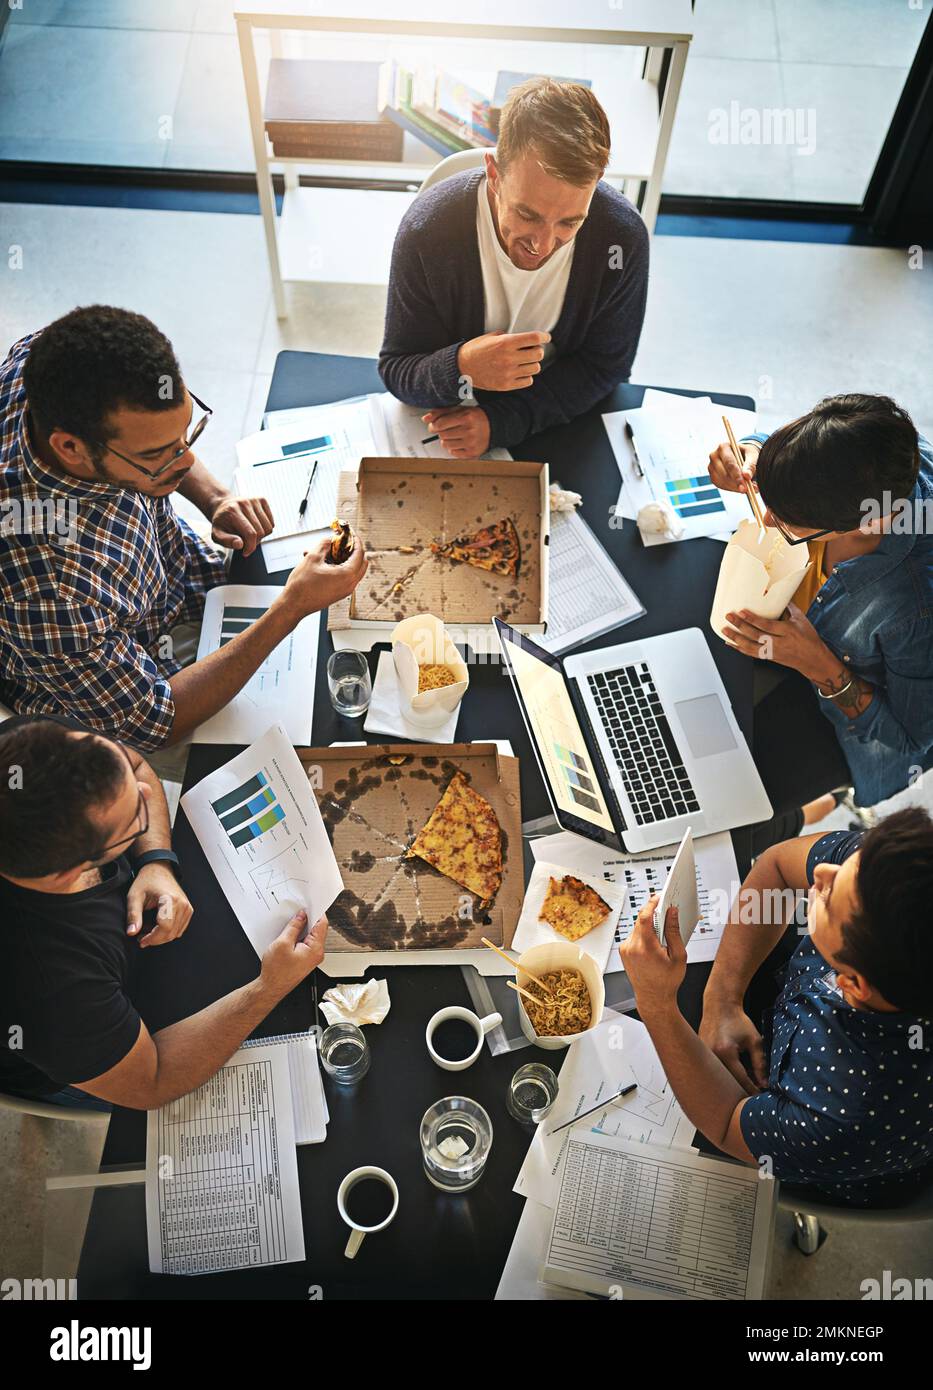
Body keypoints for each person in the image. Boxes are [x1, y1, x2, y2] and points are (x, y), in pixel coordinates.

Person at [0, 306, 366, 750]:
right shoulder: (49, 593)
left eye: (186, 433)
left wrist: (215, 499)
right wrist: (291, 607)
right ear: (71, 448)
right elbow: (155, 721)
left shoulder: (45, 360)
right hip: (138, 670)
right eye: (159, 453)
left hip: (175, 568)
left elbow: (168, 448)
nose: (188, 460)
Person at [0, 716, 327, 1110]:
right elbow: (153, 1080)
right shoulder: (50, 992)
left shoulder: (28, 755)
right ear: (71, 872)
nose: (145, 791)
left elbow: (138, 767)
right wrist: (268, 987)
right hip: (99, 1057)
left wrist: (156, 861)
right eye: (136, 816)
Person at [620, 808, 933, 1205]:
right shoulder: (892, 875)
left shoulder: (843, 1112)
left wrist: (656, 1006)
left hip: (807, 1140)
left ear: (853, 983)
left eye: (828, 898)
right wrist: (722, 998)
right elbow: (778, 869)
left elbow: (726, 1123)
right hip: (790, 1009)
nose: (822, 875)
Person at [378, 77, 649, 457]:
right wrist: (462, 366)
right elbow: (397, 369)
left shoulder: (622, 239)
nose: (542, 245)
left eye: (570, 222)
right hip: (448, 421)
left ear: (596, 184)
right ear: (494, 173)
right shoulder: (427, 230)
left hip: (558, 414)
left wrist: (502, 422)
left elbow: (606, 367)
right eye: (527, 214)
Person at [708, 393, 933, 848]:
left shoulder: (915, 605)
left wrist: (815, 663)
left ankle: (820, 808)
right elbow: (791, 452)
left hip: (841, 712)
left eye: (788, 522)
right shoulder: (872, 450)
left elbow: (910, 741)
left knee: (728, 822)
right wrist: (752, 454)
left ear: (863, 525)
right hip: (792, 621)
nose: (767, 520)